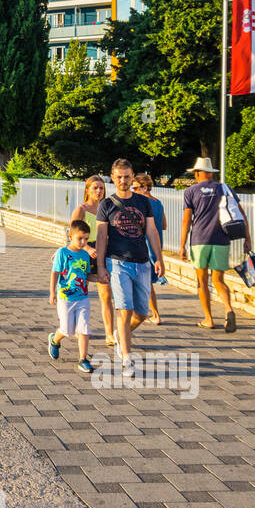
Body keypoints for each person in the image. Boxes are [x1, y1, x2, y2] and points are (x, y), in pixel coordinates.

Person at [95, 158, 165, 378]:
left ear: (132, 176)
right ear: (112, 178)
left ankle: (120, 334)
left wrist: (159, 259)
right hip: (118, 263)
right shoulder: (106, 205)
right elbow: (101, 237)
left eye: (127, 176)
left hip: (143, 263)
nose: (123, 181)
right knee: (124, 310)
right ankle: (127, 358)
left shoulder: (143, 202)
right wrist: (100, 267)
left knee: (142, 313)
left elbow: (152, 231)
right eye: (119, 177)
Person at [179, 156, 252, 333]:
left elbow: (186, 221)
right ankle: (228, 310)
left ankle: (208, 319)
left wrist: (182, 246)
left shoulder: (191, 192)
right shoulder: (224, 188)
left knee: (202, 282)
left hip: (199, 241)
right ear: (211, 173)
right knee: (218, 280)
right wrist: (247, 239)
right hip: (221, 240)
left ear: (196, 174)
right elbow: (241, 215)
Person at [71, 175, 116, 347]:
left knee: (106, 294)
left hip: (102, 252)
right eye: (95, 187)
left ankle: (109, 334)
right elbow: (73, 235)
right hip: (83, 254)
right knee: (81, 293)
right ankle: (77, 327)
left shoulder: (108, 207)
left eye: (101, 188)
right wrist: (87, 248)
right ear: (87, 190)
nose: (98, 191)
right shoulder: (81, 209)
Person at [48, 219, 95, 373]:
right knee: (67, 330)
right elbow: (55, 273)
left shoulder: (85, 255)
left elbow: (86, 275)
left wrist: (100, 279)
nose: (83, 242)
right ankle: (54, 340)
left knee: (84, 327)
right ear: (70, 235)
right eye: (80, 238)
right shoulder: (62, 253)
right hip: (65, 298)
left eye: (86, 239)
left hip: (82, 297)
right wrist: (52, 292)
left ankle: (83, 359)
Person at [134, 173, 166, 325]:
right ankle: (151, 312)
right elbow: (164, 225)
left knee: (146, 282)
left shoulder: (142, 203)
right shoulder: (158, 203)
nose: (133, 191)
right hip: (158, 244)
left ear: (144, 188)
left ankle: (155, 314)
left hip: (145, 244)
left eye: (135, 188)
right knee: (147, 281)